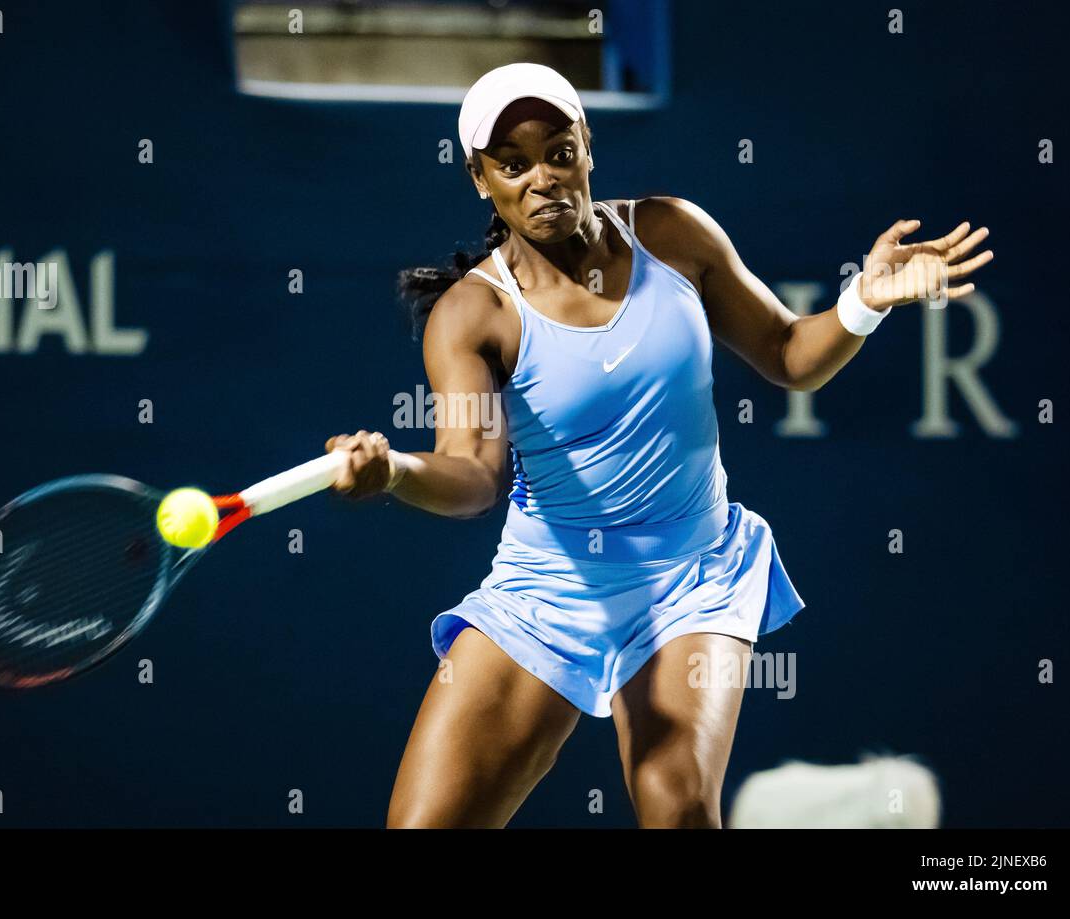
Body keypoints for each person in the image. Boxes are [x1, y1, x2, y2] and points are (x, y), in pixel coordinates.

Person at [324, 63, 992, 828]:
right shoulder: (472, 314)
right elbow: (474, 474)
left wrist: (864, 302)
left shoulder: (673, 234)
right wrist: (395, 471)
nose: (541, 178)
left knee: (676, 808)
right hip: (547, 591)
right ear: (480, 179)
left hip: (693, 576)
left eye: (558, 151)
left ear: (588, 148)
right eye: (512, 164)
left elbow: (789, 354)